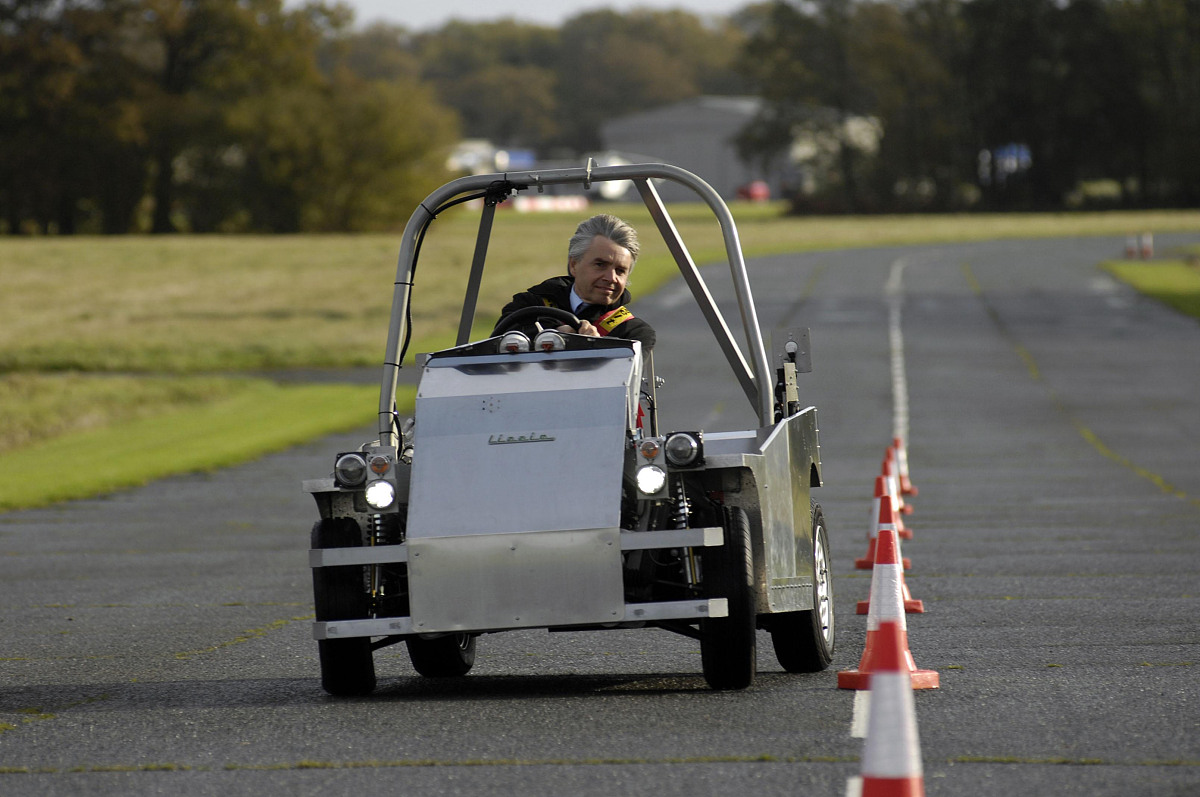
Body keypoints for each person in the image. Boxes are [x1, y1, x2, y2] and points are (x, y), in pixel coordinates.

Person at [495, 214, 656, 350]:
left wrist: (596, 345)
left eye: (620, 271)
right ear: (574, 265)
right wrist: (554, 330)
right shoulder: (529, 304)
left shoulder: (633, 332)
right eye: (600, 265)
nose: (611, 278)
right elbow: (497, 339)